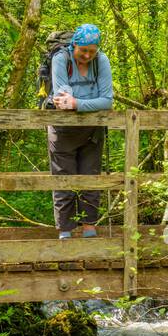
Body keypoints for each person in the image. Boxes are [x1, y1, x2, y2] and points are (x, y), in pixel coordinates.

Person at [47, 23, 113, 238]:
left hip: (92, 131)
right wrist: (78, 102)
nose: (87, 55)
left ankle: (89, 229)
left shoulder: (101, 61)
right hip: (62, 129)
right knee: (63, 179)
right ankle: (65, 231)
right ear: (74, 45)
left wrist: (77, 104)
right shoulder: (61, 59)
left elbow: (107, 100)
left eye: (92, 51)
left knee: (90, 179)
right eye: (83, 50)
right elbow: (61, 95)